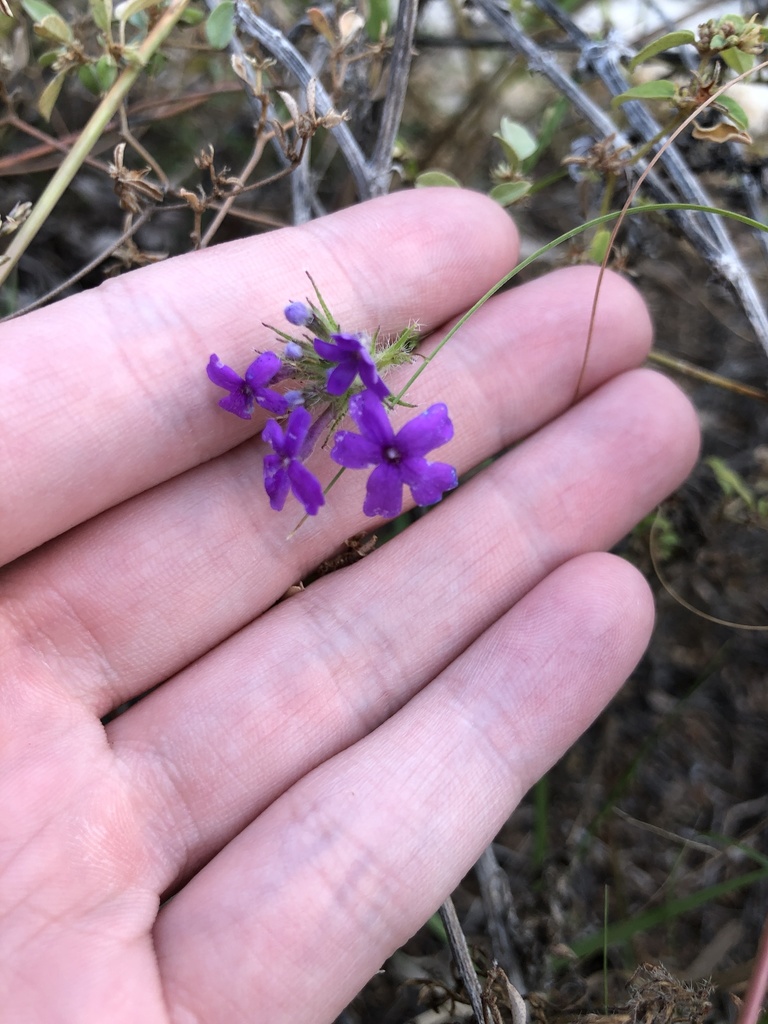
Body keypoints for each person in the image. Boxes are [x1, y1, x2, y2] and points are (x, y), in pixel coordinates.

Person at [0, 188, 699, 1023]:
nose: (263, 417)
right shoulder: (328, 426)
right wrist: (298, 408)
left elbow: (361, 398)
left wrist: (354, 372)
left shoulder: (378, 427)